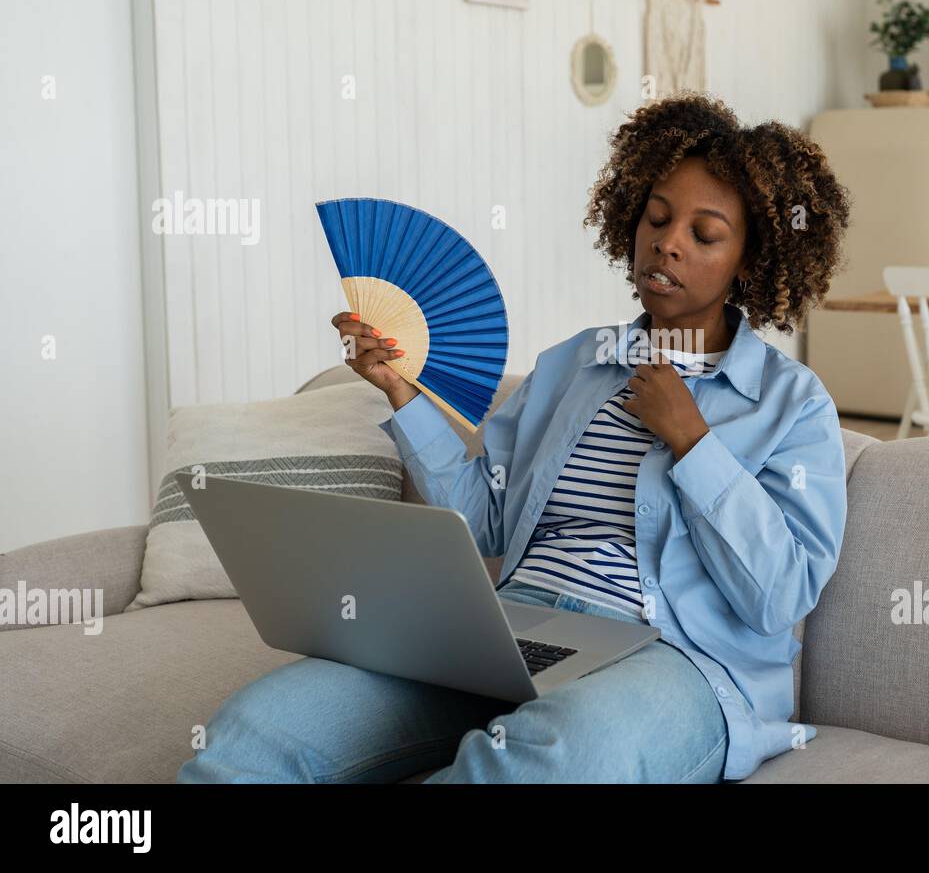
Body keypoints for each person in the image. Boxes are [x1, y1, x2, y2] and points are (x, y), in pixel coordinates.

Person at [177, 91, 852, 784]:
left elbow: (779, 596)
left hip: (680, 664)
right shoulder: (573, 367)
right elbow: (481, 520)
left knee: (554, 756)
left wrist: (693, 442)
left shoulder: (792, 405)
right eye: (655, 217)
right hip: (509, 633)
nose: (667, 241)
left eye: (703, 234)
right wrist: (401, 394)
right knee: (262, 727)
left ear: (750, 258)